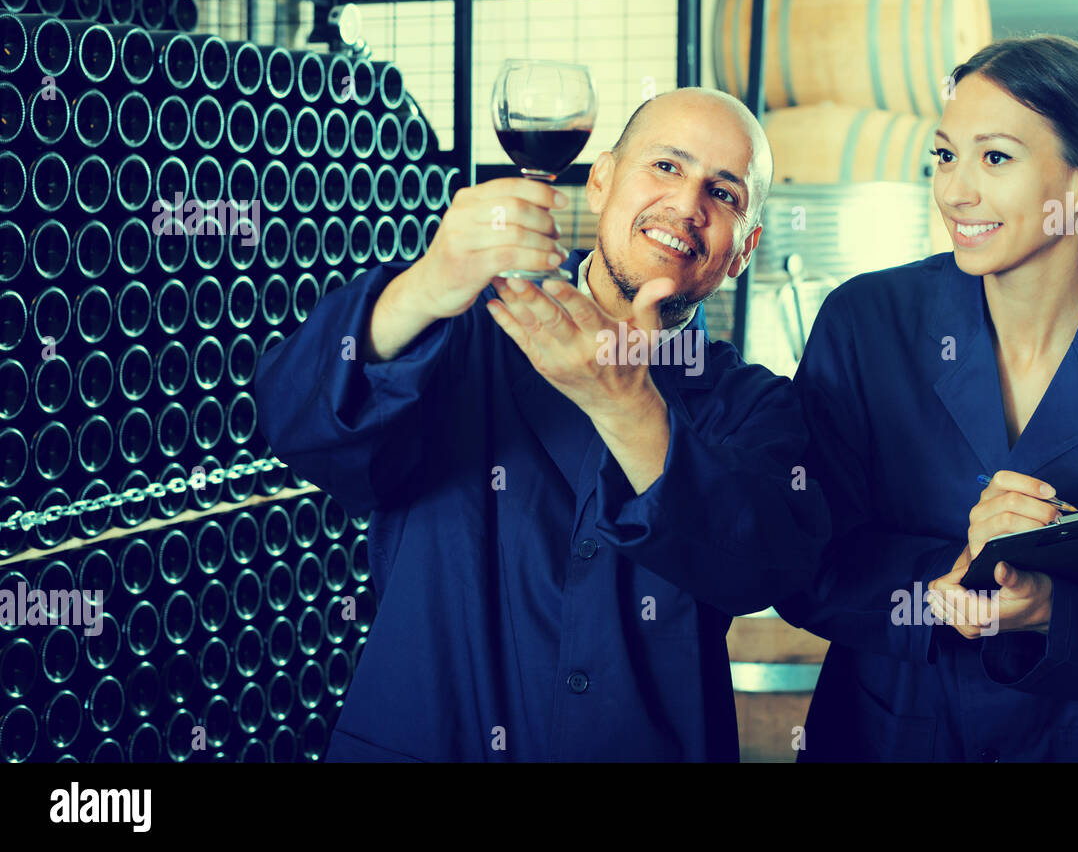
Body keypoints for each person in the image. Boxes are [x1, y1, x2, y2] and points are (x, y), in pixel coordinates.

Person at [253, 87, 830, 762]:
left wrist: (626, 404)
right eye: (666, 167)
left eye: (724, 193)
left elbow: (766, 569)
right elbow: (295, 422)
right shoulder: (461, 329)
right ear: (601, 180)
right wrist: (425, 284)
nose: (687, 206)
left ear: (743, 249)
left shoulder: (754, 405)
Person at [777, 35, 1078, 762]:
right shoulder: (866, 325)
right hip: (891, 731)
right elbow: (797, 556)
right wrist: (942, 577)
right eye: (944, 155)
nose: (956, 190)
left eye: (995, 157)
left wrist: (1054, 613)